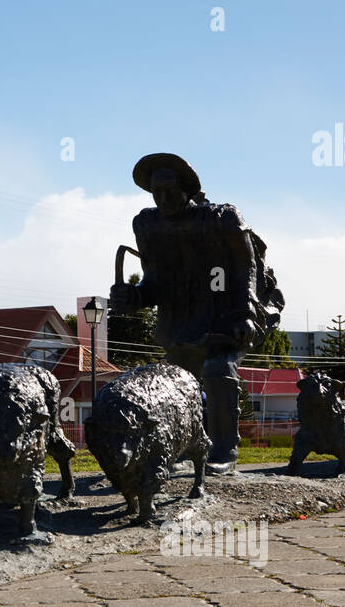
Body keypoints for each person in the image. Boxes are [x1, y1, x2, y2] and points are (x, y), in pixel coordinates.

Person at [109, 153, 284, 474]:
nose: (162, 199)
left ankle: (223, 450)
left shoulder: (221, 220)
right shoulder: (149, 226)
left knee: (218, 367)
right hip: (183, 324)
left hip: (229, 313)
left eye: (169, 191)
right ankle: (186, 447)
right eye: (155, 193)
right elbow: (155, 284)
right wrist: (132, 297)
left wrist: (245, 312)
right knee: (178, 383)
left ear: (187, 189)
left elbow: (246, 268)